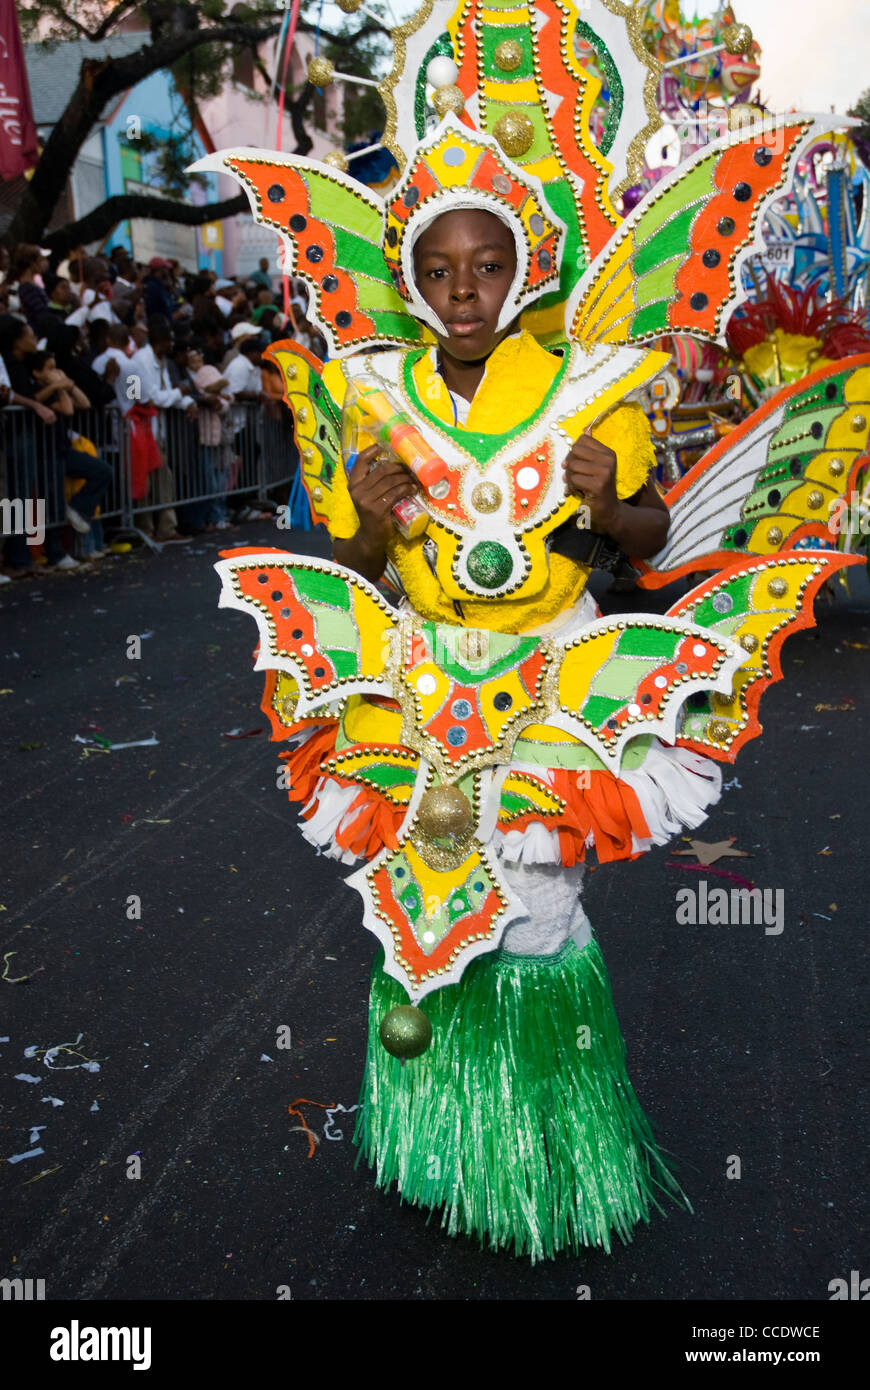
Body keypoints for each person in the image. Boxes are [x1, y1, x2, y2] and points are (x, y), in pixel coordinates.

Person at [123, 315, 196, 543]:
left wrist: (186, 401)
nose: (172, 346)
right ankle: (153, 528)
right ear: (161, 341)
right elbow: (153, 397)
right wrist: (180, 395)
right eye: (170, 341)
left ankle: (160, 528)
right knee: (154, 479)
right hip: (143, 430)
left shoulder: (159, 360)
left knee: (161, 478)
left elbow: (167, 394)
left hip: (155, 431)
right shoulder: (141, 361)